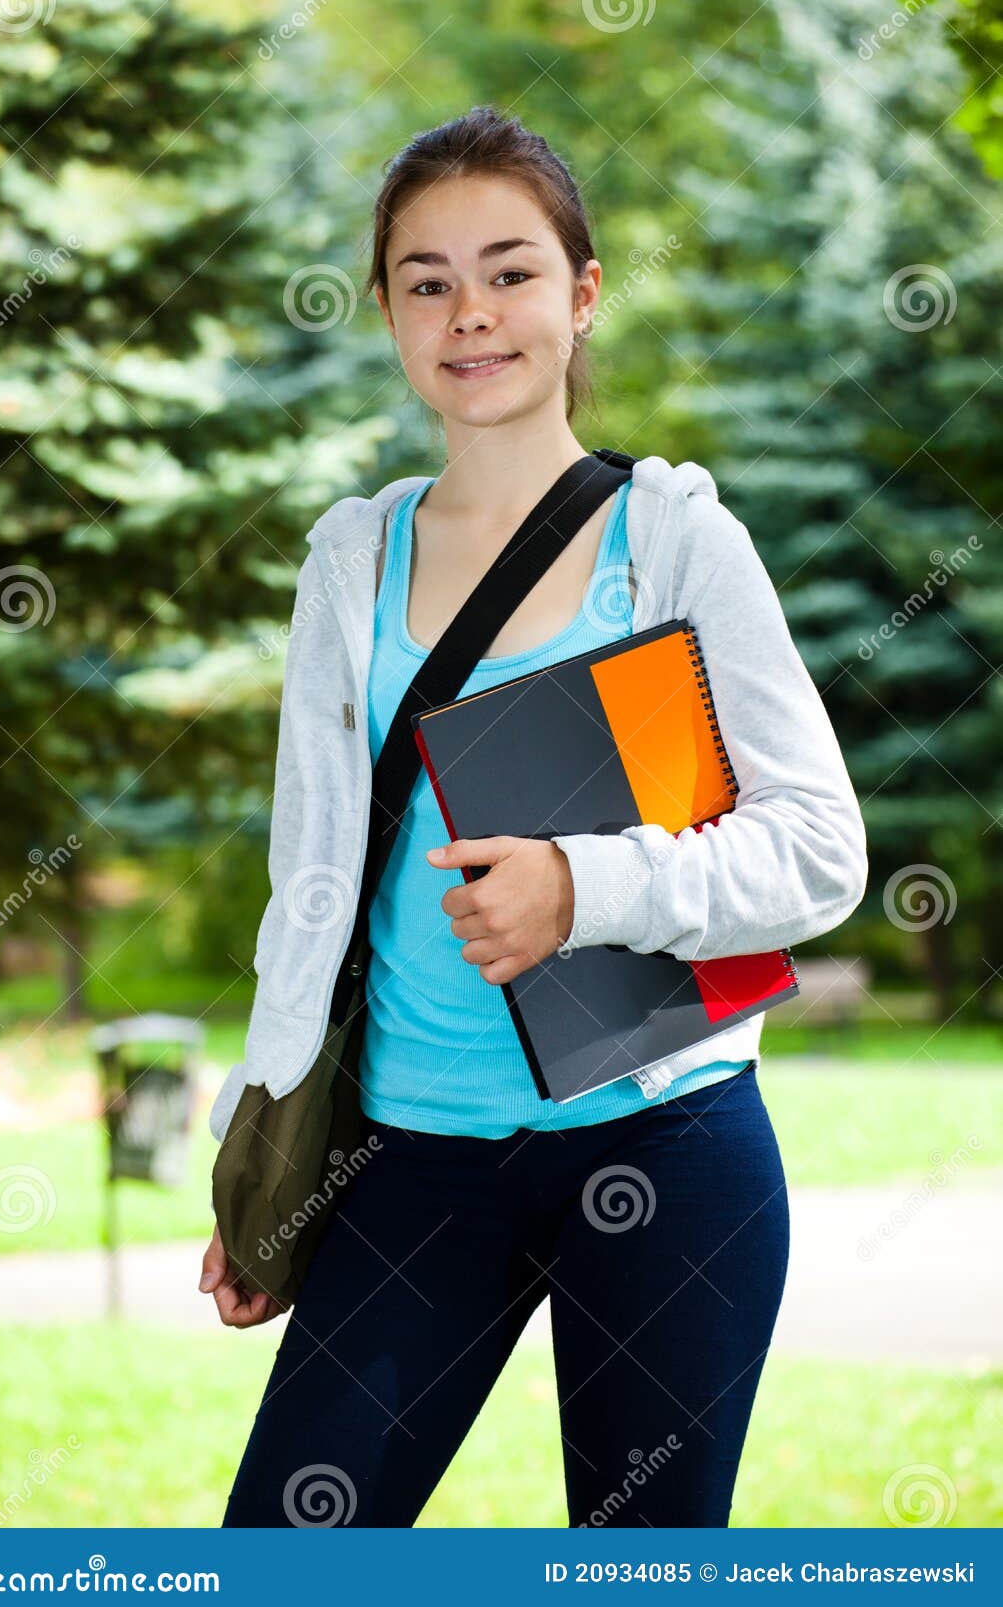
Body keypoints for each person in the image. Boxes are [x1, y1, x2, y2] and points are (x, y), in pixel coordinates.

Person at [199, 106, 868, 1527]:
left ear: (583, 293)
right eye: (426, 281)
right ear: (387, 312)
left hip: (666, 1146)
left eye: (510, 271)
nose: (471, 313)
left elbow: (822, 851)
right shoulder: (351, 562)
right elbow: (308, 882)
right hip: (409, 1159)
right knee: (279, 1562)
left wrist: (582, 886)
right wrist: (264, 1145)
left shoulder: (673, 539)